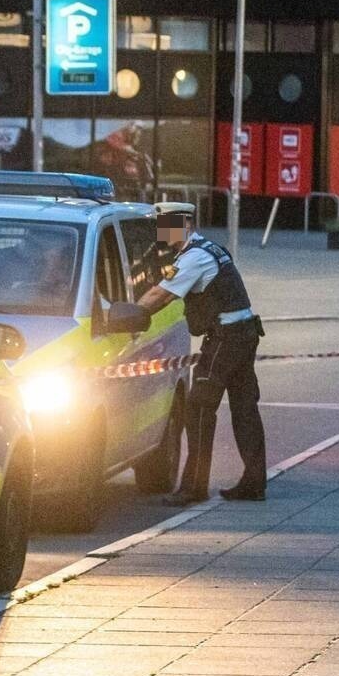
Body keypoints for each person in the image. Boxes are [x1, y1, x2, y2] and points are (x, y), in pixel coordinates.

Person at [112, 213, 267, 505]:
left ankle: (194, 487)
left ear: (185, 228)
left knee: (197, 409)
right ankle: (254, 483)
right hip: (244, 333)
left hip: (226, 338)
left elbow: (161, 294)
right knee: (245, 409)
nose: (163, 238)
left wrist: (127, 316)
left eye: (167, 231)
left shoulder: (193, 258)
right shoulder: (209, 249)